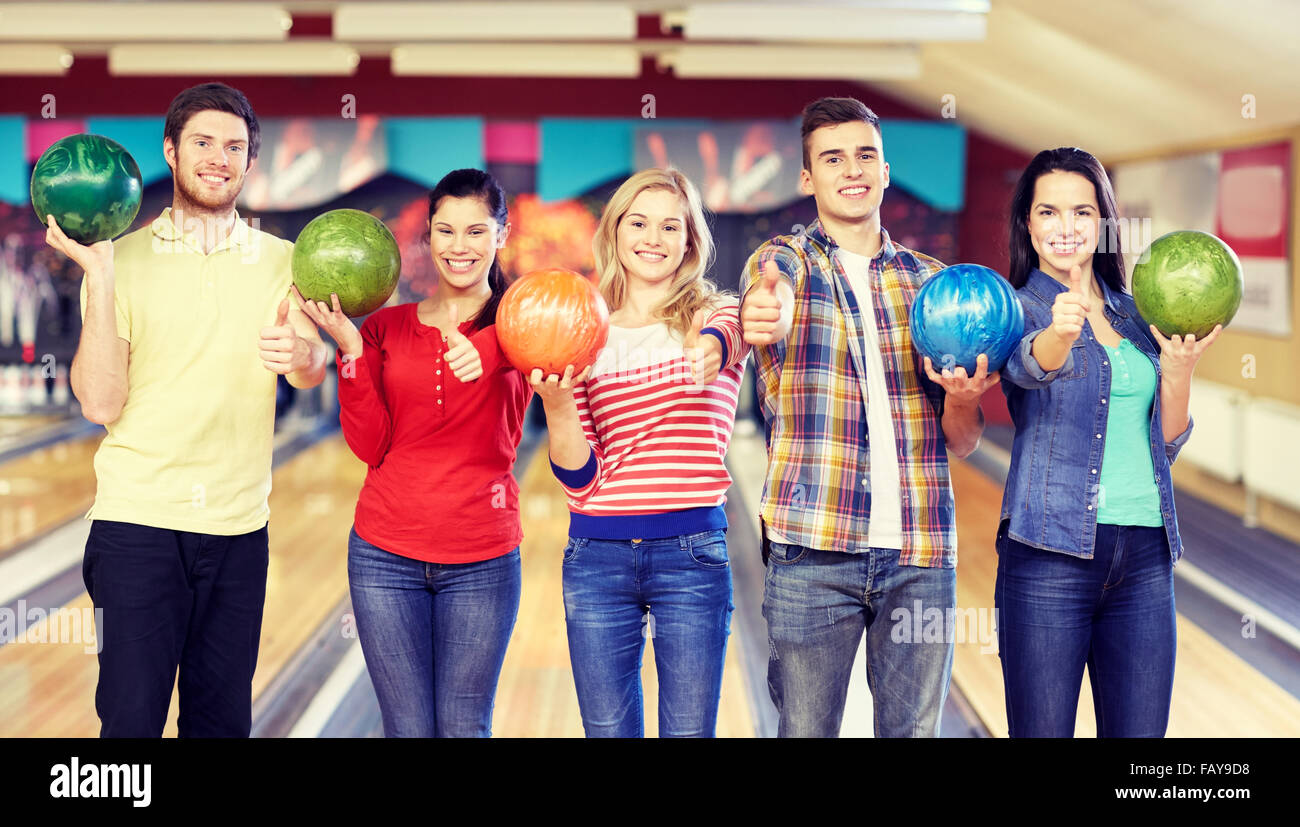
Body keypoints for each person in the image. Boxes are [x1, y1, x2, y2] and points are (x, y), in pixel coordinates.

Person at [47, 82, 329, 737]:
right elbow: (99, 401)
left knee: (221, 722)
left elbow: (312, 375)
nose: (218, 157)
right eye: (202, 142)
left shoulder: (284, 263)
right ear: (171, 152)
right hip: (136, 525)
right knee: (130, 721)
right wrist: (102, 277)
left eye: (234, 146)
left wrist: (306, 355)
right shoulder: (120, 259)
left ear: (251, 163)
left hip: (238, 529)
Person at [739, 97, 994, 738]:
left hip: (920, 553)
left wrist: (963, 397)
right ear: (807, 178)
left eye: (864, 155)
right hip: (812, 551)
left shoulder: (934, 286)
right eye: (831, 158)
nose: (851, 169)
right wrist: (773, 309)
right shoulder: (782, 262)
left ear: (885, 169)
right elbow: (775, 292)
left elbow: (961, 441)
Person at [297, 169, 531, 738]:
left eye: (476, 231)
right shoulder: (385, 328)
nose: (459, 246)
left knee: (461, 727)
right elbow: (369, 445)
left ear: (501, 234)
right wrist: (351, 349)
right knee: (406, 728)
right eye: (445, 231)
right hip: (384, 556)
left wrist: (491, 348)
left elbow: (549, 335)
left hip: (481, 558)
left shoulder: (522, 324)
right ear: (428, 236)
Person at [995, 147, 1217, 737]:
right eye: (1048, 213)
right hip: (1049, 555)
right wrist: (1059, 336)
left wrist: (1180, 370)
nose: (1066, 228)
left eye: (1082, 213)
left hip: (1145, 555)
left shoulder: (1135, 312)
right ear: (1028, 224)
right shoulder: (1015, 309)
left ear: (1103, 223)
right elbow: (1022, 370)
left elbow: (1163, 445)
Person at [534, 168, 749, 737]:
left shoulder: (716, 316)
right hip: (596, 555)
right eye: (639, 222)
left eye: (670, 225)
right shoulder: (583, 331)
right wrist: (556, 405)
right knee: (606, 730)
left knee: (687, 731)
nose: (653, 237)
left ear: (689, 241)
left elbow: (735, 328)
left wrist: (708, 347)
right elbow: (580, 481)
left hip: (692, 555)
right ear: (615, 231)